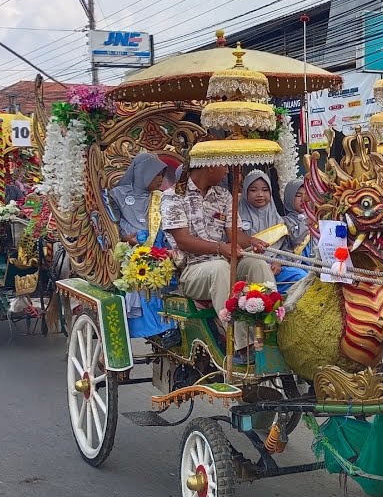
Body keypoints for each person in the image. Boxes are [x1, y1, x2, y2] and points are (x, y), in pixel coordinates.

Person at [161, 164, 275, 363]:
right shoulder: (172, 196)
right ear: (211, 166)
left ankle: (272, 329)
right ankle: (241, 345)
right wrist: (219, 248)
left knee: (257, 264)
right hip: (193, 270)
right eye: (225, 166)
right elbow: (183, 241)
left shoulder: (223, 195)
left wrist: (252, 242)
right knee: (220, 268)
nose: (227, 171)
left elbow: (235, 235)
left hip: (225, 261)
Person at [109, 153, 175, 339]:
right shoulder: (117, 195)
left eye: (162, 175)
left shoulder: (161, 197)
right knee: (144, 278)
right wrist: (125, 239)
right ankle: (157, 328)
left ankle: (169, 325)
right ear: (143, 173)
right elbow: (110, 226)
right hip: (130, 249)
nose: (161, 179)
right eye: (157, 174)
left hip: (159, 247)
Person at [237, 171, 307, 295]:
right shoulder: (236, 217)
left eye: (265, 190)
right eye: (253, 190)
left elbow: (286, 247)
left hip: (276, 269)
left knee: (301, 277)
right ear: (245, 192)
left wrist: (279, 261)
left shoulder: (278, 220)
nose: (260, 194)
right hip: (247, 268)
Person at [282, 181, 313, 258]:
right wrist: (306, 223)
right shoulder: (285, 221)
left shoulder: (315, 218)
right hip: (295, 262)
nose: (303, 199)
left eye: (307, 195)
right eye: (298, 195)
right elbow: (294, 240)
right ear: (290, 198)